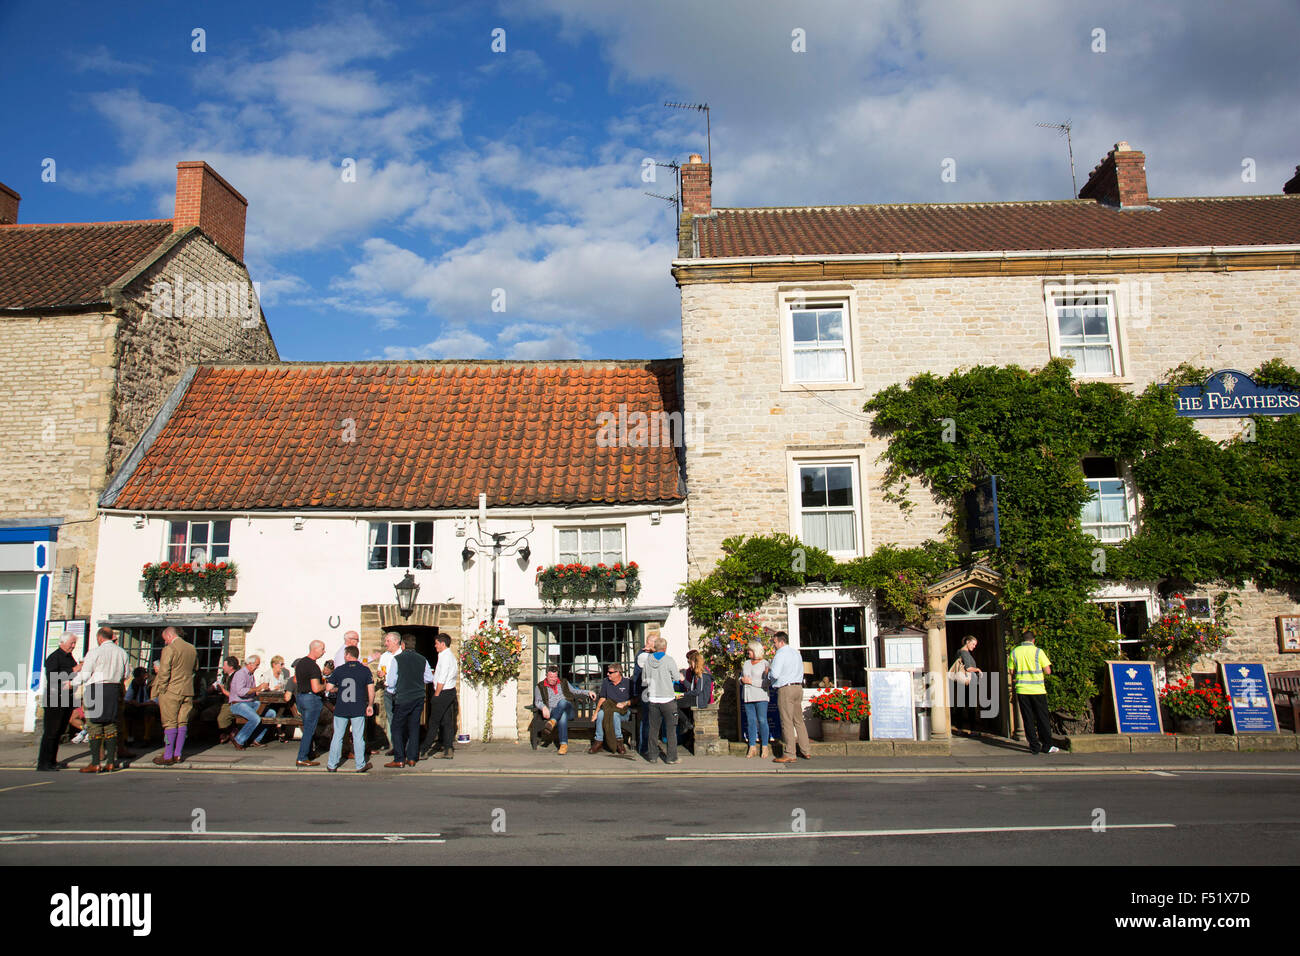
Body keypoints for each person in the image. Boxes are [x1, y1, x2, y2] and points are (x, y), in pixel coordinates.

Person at [69, 627, 129, 773]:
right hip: (113, 689)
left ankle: (95, 762)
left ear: (100, 638)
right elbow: (126, 674)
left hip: (96, 689)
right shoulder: (122, 652)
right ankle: (110, 763)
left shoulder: (95, 652)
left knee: (94, 725)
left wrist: (71, 683)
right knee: (110, 725)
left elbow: (85, 674)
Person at [1008, 631, 1060, 754]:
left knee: (1027, 718)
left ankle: (1034, 746)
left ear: (1023, 640)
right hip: (1038, 689)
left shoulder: (1014, 652)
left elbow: (1011, 671)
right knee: (1042, 718)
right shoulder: (1038, 652)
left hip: (1022, 689)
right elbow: (1047, 671)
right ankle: (1047, 745)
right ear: (1033, 640)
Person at [386, 637, 434, 768]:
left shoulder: (397, 659)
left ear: (402, 645)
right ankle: (412, 758)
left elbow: (391, 682)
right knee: (414, 727)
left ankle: (399, 758)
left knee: (396, 727)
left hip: (403, 697)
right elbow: (429, 678)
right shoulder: (422, 659)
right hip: (418, 697)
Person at [326, 645, 374, 772]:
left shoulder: (339, 670)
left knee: (338, 736)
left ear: (347, 655)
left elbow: (328, 688)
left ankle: (332, 764)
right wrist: (370, 705)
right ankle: (360, 764)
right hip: (358, 707)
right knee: (358, 737)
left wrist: (338, 688)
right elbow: (370, 689)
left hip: (341, 707)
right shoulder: (365, 670)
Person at [37, 633, 78, 771]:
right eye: (71, 643)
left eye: (74, 643)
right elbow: (52, 677)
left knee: (59, 731)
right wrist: (73, 670)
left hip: (66, 697)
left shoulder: (68, 657)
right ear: (63, 642)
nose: (73, 646)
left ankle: (52, 760)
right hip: (54, 697)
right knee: (51, 732)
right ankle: (44, 763)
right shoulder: (54, 657)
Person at [533, 664, 595, 756]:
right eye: (551, 677)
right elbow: (538, 701)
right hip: (553, 711)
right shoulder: (540, 686)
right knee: (562, 715)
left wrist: (588, 692)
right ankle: (563, 745)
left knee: (562, 702)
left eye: (555, 677)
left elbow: (575, 691)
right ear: (546, 676)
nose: (553, 679)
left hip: (569, 709)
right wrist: (543, 707)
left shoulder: (563, 682)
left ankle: (552, 721)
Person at [770, 630, 811, 763]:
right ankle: (806, 751)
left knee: (786, 721)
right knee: (798, 720)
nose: (773, 645)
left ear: (781, 642)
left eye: (775, 642)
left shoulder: (780, 654)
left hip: (786, 688)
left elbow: (775, 674)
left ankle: (789, 753)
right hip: (798, 687)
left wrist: (768, 674)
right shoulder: (796, 653)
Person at [641, 637, 680, 764]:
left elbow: (644, 680)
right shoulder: (669, 660)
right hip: (668, 699)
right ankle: (671, 757)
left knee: (653, 729)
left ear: (655, 647)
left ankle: (652, 756)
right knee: (670, 730)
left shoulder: (647, 661)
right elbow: (677, 677)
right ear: (665, 648)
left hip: (653, 698)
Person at [294, 640, 328, 767]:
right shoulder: (313, 666)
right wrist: (326, 685)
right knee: (309, 729)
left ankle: (309, 753)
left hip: (301, 697)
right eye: (323, 649)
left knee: (307, 727)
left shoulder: (301, 663)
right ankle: (302, 757)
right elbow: (315, 688)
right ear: (315, 649)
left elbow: (296, 680)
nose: (324, 651)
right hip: (311, 699)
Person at [229, 655, 273, 750]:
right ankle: (239, 739)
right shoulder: (240, 674)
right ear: (250, 664)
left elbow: (252, 692)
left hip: (250, 702)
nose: (257, 667)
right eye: (257, 665)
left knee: (271, 713)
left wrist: (262, 690)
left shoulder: (250, 674)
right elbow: (241, 692)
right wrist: (258, 688)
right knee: (255, 718)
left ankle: (256, 739)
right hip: (238, 703)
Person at [426, 634, 459, 760]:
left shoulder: (445, 657)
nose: (435, 646)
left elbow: (443, 677)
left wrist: (436, 694)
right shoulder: (449, 656)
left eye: (436, 643)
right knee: (447, 722)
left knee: (434, 722)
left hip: (443, 692)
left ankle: (423, 750)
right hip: (449, 691)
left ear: (442, 644)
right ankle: (448, 749)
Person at [590, 663, 633, 755]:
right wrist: (595, 713)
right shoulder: (606, 682)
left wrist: (625, 703)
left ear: (618, 673)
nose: (608, 674)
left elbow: (635, 699)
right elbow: (602, 698)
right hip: (609, 708)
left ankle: (619, 741)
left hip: (623, 712)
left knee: (614, 714)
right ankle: (598, 740)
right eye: (608, 672)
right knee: (601, 714)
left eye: (610, 672)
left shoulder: (628, 682)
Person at [741, 640, 771, 759]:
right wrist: (742, 680)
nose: (748, 652)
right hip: (748, 695)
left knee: (762, 720)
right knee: (751, 721)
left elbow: (767, 682)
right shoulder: (746, 663)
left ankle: (764, 746)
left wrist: (751, 681)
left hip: (761, 695)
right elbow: (742, 677)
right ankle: (752, 746)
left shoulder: (765, 663)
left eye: (750, 650)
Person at [951, 635, 982, 731]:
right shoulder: (964, 653)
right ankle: (972, 730)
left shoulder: (959, 652)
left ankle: (959, 728)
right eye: (973, 644)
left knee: (960, 705)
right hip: (967, 682)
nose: (974, 646)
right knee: (971, 706)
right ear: (967, 642)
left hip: (961, 681)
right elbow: (968, 668)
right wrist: (978, 669)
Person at [631, 631, 655, 755]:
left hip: (651, 691)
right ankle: (644, 747)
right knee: (646, 719)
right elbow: (655, 665)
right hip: (645, 692)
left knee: (651, 719)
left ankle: (649, 745)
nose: (656, 645)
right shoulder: (643, 656)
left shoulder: (650, 654)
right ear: (648, 643)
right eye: (654, 643)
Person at [123, 666, 159, 746]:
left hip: (149, 705)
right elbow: (127, 698)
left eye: (140, 679)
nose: (139, 681)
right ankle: (128, 737)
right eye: (137, 680)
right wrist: (132, 702)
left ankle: (146, 737)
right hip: (139, 705)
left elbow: (156, 700)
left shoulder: (153, 682)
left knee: (150, 710)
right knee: (127, 709)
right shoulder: (135, 683)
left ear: (145, 676)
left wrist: (141, 704)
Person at [377, 631, 400, 754]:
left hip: (400, 690)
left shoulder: (402, 655)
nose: (385, 644)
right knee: (391, 719)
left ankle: (402, 746)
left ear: (396, 641)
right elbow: (380, 670)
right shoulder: (385, 656)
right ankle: (395, 746)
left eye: (388, 641)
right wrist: (380, 673)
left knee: (401, 718)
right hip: (388, 691)